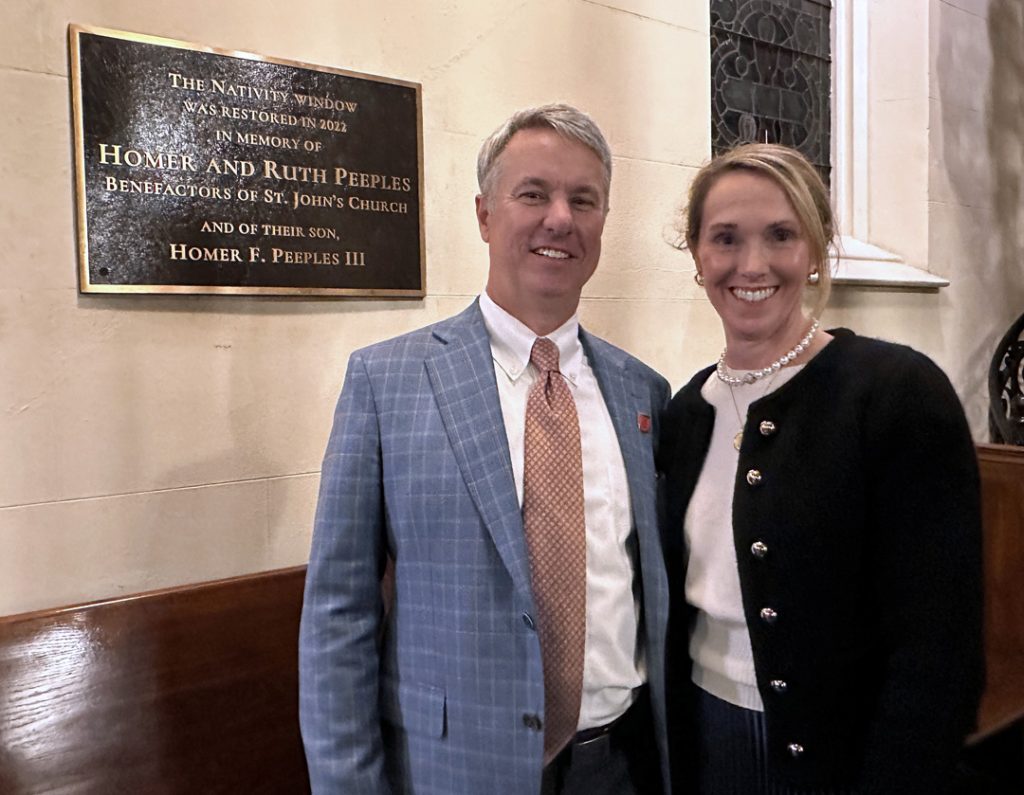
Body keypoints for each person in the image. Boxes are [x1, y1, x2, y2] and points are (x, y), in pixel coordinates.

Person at [299, 103, 672, 795]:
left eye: (582, 200)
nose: (559, 217)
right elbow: (337, 613)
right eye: (533, 193)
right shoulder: (387, 382)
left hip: (620, 765)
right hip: (453, 769)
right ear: (483, 215)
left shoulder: (642, 391)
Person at [658, 143, 983, 794]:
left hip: (843, 758)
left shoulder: (895, 393)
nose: (752, 263)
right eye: (725, 238)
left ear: (814, 248)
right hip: (703, 740)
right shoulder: (685, 411)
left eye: (780, 234)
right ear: (697, 256)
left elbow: (938, 648)